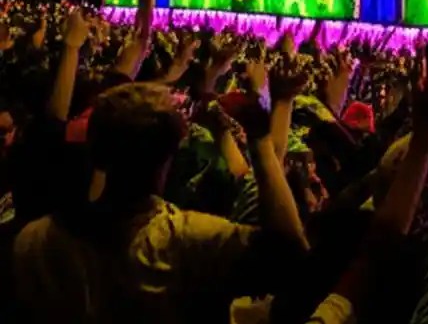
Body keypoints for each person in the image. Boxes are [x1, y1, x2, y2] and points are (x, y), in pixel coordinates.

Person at [12, 75, 309, 324]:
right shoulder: (185, 240)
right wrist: (259, 138)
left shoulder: (34, 239)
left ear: (95, 150)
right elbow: (289, 255)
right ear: (169, 156)